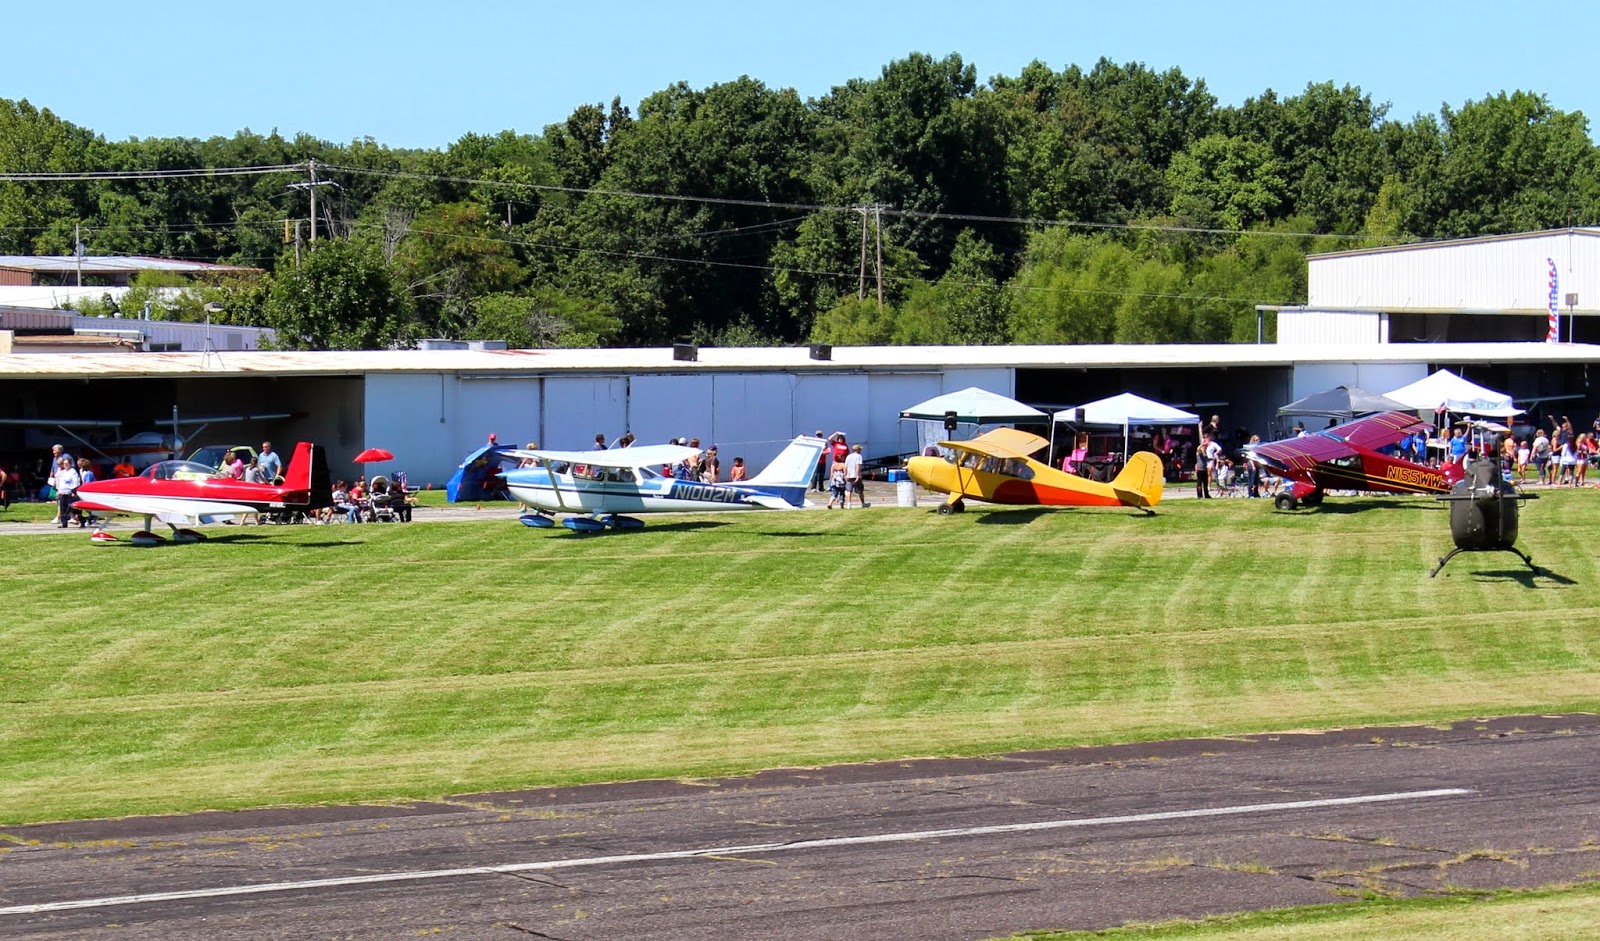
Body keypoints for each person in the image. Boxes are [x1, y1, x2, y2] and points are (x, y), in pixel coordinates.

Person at [53, 456, 81, 528]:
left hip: (69, 493)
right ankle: (64, 523)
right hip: (63, 493)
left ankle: (82, 520)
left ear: (70, 464)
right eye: (64, 463)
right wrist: (59, 491)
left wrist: (74, 492)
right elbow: (61, 483)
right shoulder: (63, 472)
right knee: (63, 509)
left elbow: (76, 483)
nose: (65, 465)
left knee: (72, 509)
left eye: (66, 463)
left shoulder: (73, 472)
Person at [75, 458, 98, 527]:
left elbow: (87, 483)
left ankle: (92, 517)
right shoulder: (85, 473)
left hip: (90, 492)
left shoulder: (88, 474)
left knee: (88, 506)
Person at [845, 443, 865, 508]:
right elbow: (858, 466)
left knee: (849, 490)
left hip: (849, 475)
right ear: (858, 450)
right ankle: (863, 503)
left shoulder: (848, 456)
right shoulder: (859, 456)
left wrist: (845, 474)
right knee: (860, 490)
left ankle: (848, 504)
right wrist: (858, 475)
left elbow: (845, 466)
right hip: (855, 475)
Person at [1194, 432, 1214, 499]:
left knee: (1205, 482)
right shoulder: (1199, 452)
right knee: (1199, 483)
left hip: (1204, 469)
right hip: (1200, 469)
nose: (1205, 448)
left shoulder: (1205, 452)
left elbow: (1208, 458)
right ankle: (1199, 495)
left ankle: (1206, 495)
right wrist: (1202, 444)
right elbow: (1198, 449)